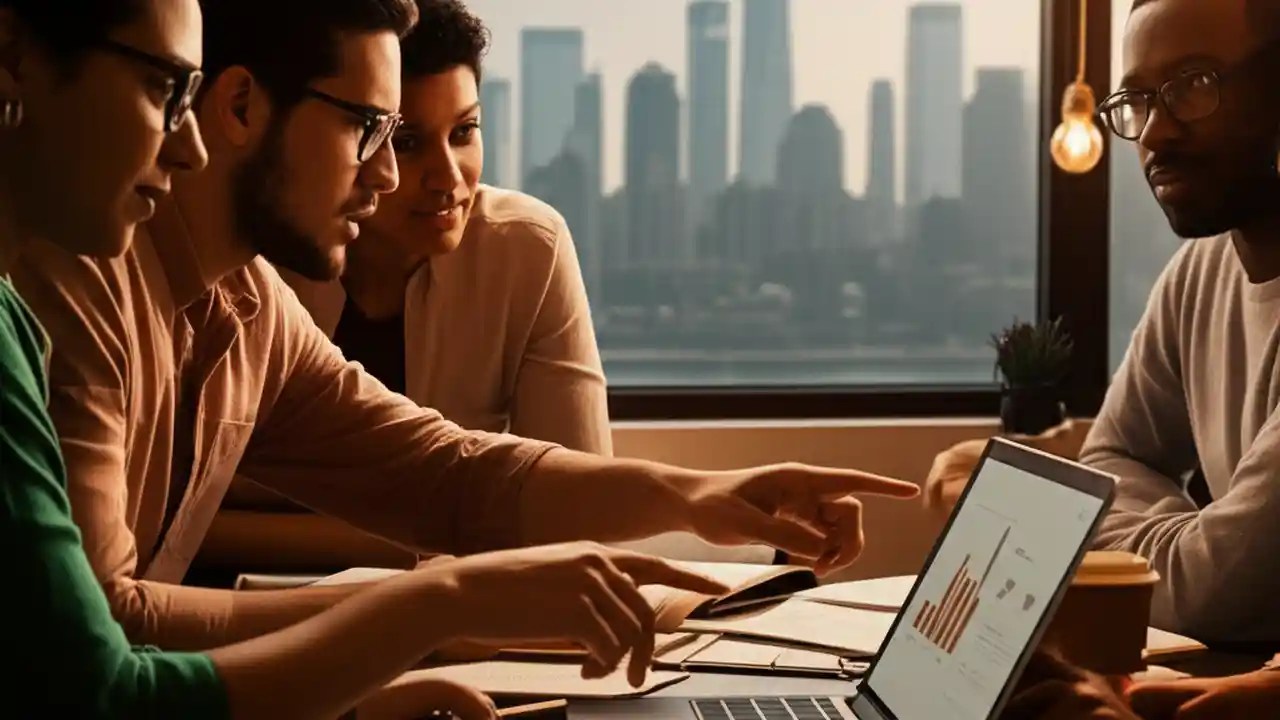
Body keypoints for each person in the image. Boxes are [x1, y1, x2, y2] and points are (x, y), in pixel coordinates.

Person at [12, 0, 919, 653]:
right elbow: (111, 626)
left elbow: (448, 473)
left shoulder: (249, 307)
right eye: (374, 130)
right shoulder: (79, 274)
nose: (387, 176)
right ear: (243, 107)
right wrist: (435, 605)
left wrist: (696, 495)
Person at [930, 0, 1280, 643]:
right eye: (1138, 100)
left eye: (1194, 86)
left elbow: (1209, 596)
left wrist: (1036, 514)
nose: (1153, 134)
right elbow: (1117, 453)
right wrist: (1181, 542)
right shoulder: (1197, 273)